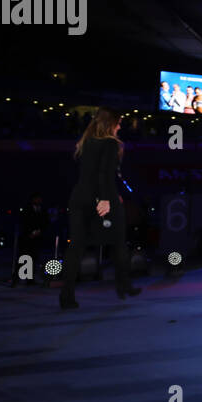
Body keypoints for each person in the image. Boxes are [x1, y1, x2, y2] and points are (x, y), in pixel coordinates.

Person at [58, 108, 140, 308]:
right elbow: (104, 173)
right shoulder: (111, 143)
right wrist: (104, 199)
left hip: (79, 197)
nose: (120, 126)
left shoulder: (85, 141)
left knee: (75, 247)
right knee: (119, 241)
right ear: (111, 123)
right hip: (102, 198)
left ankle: (66, 296)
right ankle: (124, 285)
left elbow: (91, 173)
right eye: (118, 122)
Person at [12, 192, 52, 287]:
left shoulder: (43, 210)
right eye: (37, 199)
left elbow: (45, 222)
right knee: (23, 258)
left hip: (37, 238)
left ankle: (30, 279)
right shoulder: (26, 209)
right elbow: (24, 222)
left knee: (33, 258)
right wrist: (30, 233)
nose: (39, 201)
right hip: (27, 237)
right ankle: (16, 279)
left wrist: (39, 231)